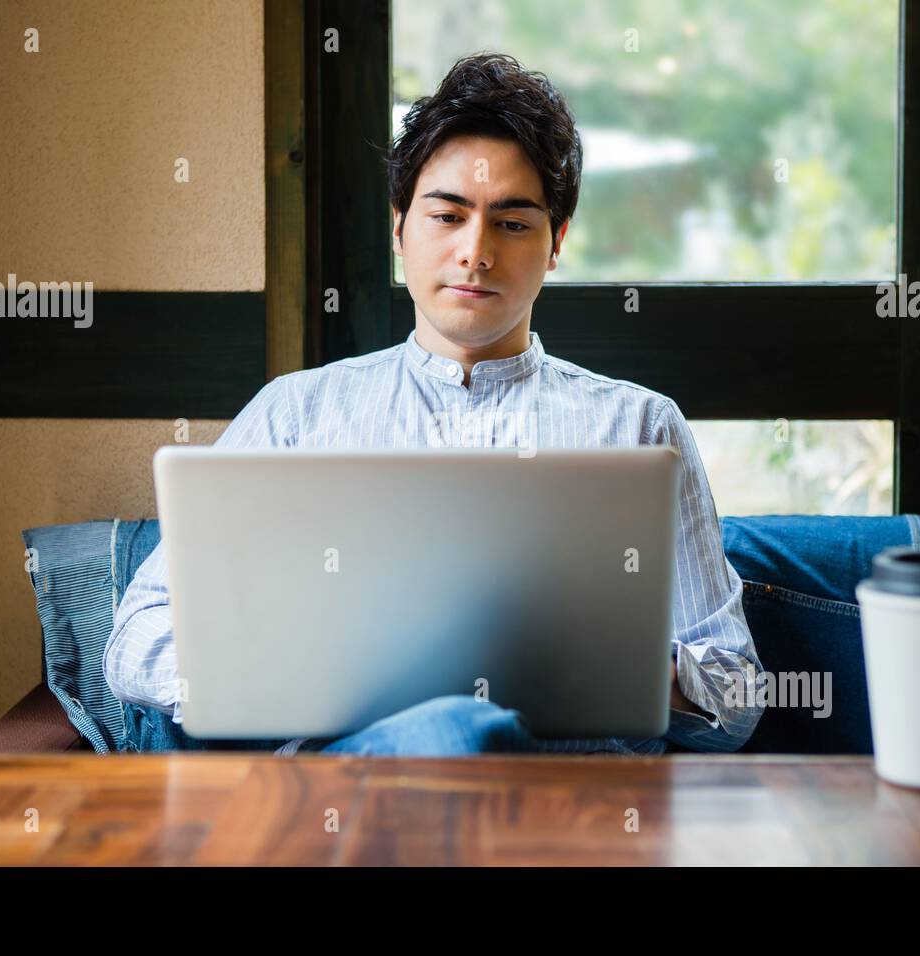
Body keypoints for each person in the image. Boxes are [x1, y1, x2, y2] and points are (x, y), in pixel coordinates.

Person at [104, 52, 764, 756]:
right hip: (356, 800)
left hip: (572, 810)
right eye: (447, 215)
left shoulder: (640, 426)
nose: (475, 252)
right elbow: (137, 634)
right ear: (399, 230)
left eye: (512, 224)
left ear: (557, 242)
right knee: (445, 734)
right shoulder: (296, 414)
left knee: (467, 733)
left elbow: (741, 695)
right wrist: (278, 676)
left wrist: (625, 667)